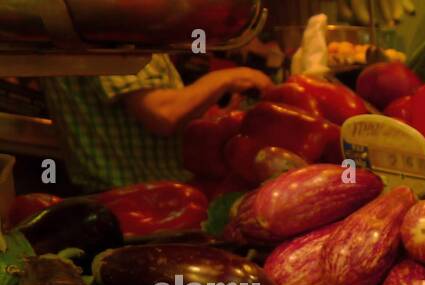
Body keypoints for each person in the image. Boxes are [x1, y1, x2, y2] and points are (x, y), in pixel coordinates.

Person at [42, 54, 270, 192]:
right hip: (136, 201)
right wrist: (227, 78)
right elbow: (162, 114)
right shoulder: (109, 22)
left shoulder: (92, 21)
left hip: (133, 197)